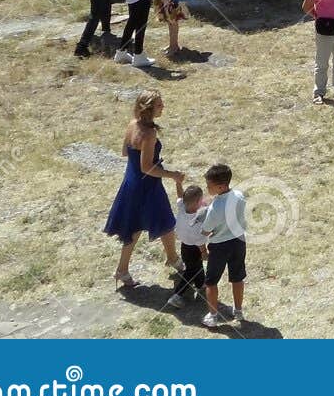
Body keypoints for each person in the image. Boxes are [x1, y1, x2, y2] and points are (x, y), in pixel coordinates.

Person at [103, 89, 183, 290]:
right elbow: (147, 168)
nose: (163, 107)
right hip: (147, 186)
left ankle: (124, 269)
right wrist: (172, 175)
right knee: (164, 221)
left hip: (130, 182)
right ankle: (173, 259)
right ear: (149, 109)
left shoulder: (132, 125)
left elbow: (124, 152)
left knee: (136, 227)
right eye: (159, 105)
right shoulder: (150, 134)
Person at [200, 162, 247, 329]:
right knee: (237, 277)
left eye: (209, 186)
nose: (207, 188)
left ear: (220, 187)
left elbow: (205, 231)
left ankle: (213, 316)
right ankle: (238, 310)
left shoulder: (215, 208)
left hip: (219, 246)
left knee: (211, 282)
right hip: (239, 242)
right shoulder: (240, 196)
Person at [167, 184, 208, 308]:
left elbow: (180, 195)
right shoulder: (197, 221)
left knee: (196, 267)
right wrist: (204, 252)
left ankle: (201, 284)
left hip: (184, 246)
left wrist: (178, 183)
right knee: (190, 272)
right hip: (194, 249)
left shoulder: (182, 207)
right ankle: (177, 295)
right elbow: (200, 241)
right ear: (197, 202)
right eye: (201, 200)